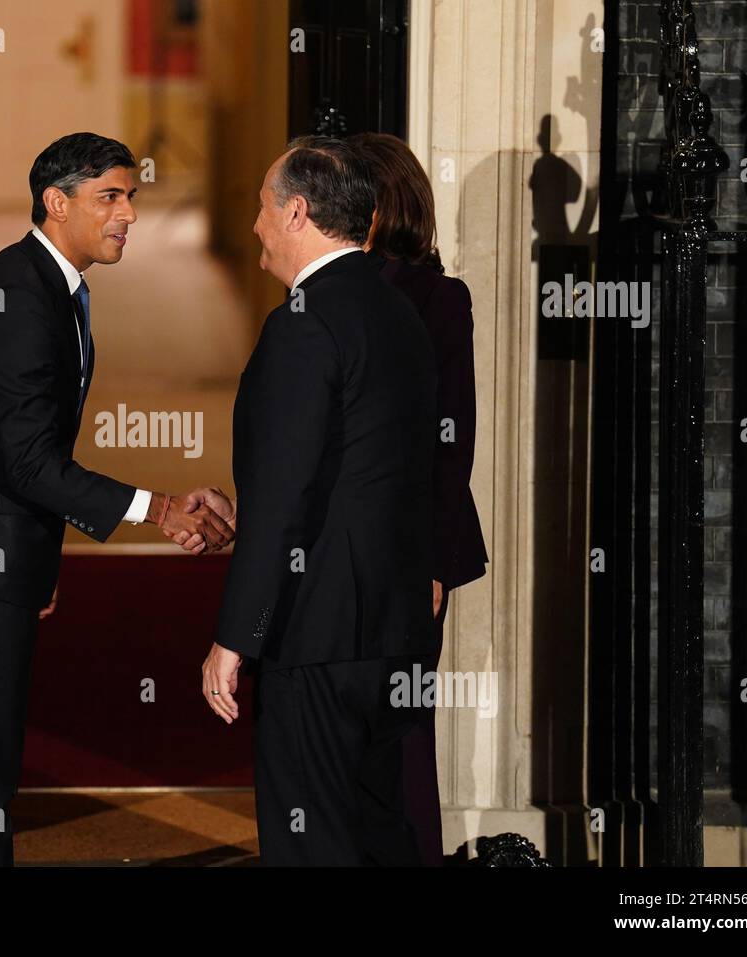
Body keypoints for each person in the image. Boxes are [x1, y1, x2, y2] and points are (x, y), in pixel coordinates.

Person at [0, 132, 235, 866]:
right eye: (109, 197)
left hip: (2, 540)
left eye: (132, 197)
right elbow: (27, 460)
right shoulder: (21, 296)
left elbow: (32, 455)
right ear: (57, 202)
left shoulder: (47, 283)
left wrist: (40, 552)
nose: (129, 215)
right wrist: (161, 508)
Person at [199, 136, 438, 865]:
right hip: (393, 633)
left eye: (264, 209)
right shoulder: (399, 309)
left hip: (317, 637)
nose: (255, 227)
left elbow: (284, 498)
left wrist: (234, 636)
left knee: (315, 844)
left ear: (297, 211)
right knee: (377, 832)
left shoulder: (303, 321)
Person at [347, 131, 489, 867]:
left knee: (402, 730)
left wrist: (431, 561)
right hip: (340, 556)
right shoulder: (325, 289)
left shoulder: (439, 297)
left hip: (409, 556)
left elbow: (449, 441)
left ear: (378, 204)